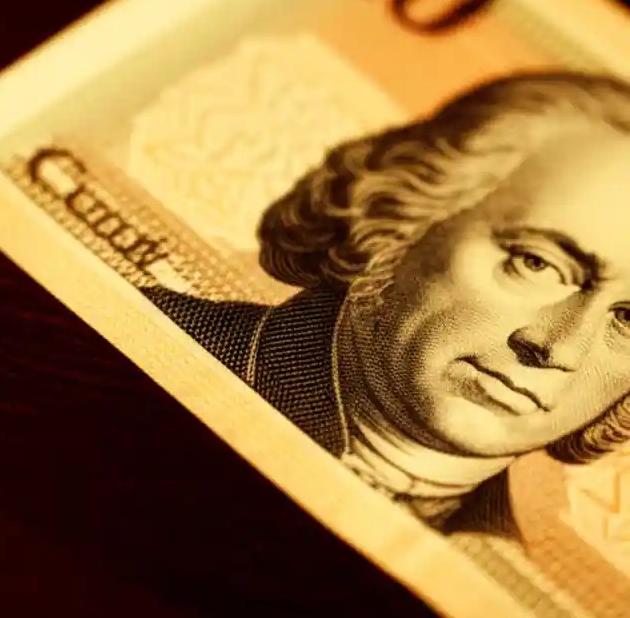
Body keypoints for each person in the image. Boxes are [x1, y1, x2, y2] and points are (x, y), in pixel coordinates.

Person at [144, 71, 630, 536]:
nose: (560, 349)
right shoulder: (142, 339)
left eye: (628, 320)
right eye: (536, 263)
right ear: (405, 219)